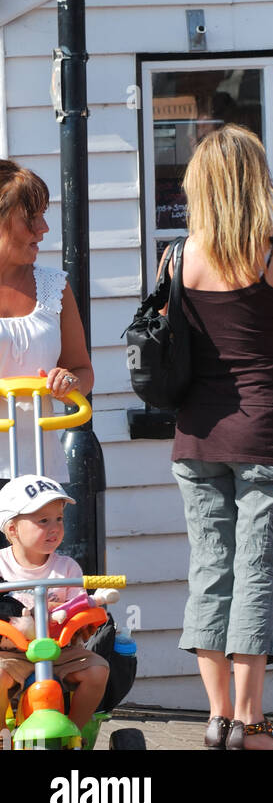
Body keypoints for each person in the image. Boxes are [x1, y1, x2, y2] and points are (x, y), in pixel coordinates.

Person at [167, 124, 273, 751]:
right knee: (259, 570)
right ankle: (251, 724)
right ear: (256, 183)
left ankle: (216, 715)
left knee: (210, 569)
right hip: (265, 434)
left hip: (196, 437)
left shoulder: (176, 258)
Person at [0, 161, 94, 490]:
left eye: (43, 216)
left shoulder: (55, 286)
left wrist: (68, 382)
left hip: (38, 473)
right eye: (31, 218)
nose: (44, 229)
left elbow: (83, 371)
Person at [0, 475, 109, 732]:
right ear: (12, 529)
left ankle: (73, 732)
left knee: (98, 671)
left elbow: (78, 608)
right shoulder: (1, 565)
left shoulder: (67, 568)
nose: (54, 527)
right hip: (10, 651)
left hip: (59, 651)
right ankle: (1, 737)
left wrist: (83, 621)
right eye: (43, 521)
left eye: (59, 519)